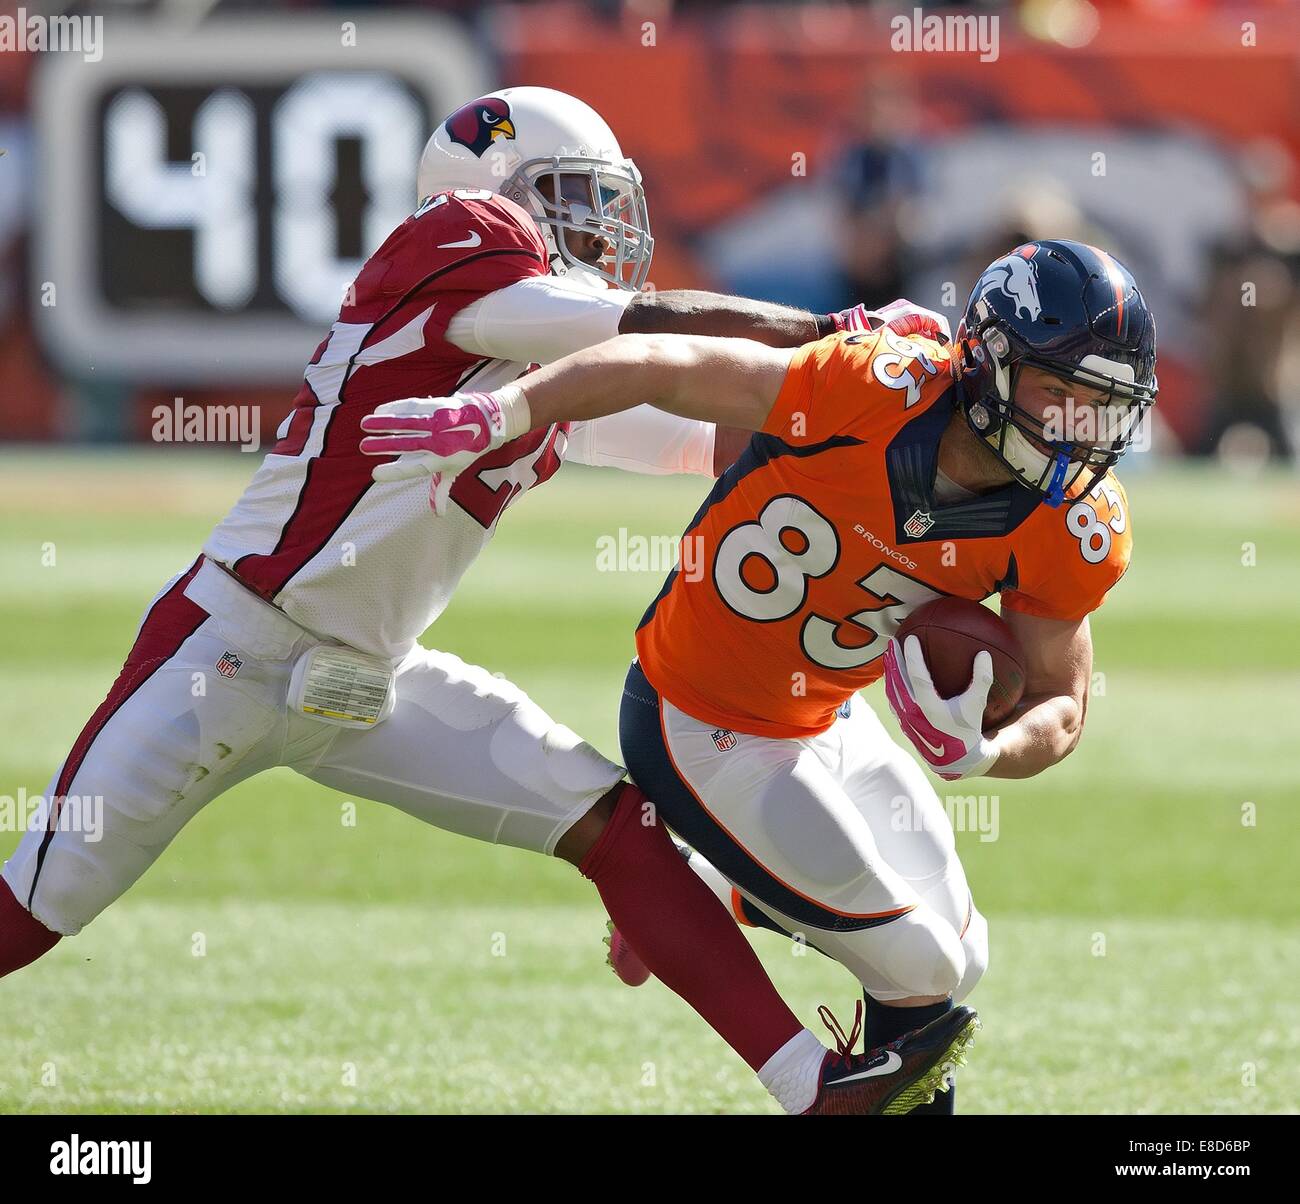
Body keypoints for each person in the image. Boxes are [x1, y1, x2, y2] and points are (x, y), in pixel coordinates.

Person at [1, 86, 966, 1115]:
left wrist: (864, 412)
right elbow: (643, 321)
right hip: (226, 652)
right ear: (494, 191)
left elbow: (702, 430)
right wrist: (841, 333)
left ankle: (811, 1089)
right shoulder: (456, 240)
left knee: (617, 825)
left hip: (365, 685)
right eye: (574, 198)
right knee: (32, 910)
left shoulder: (528, 363)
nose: (600, 228)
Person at [358, 238, 1157, 1115]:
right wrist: (501, 412)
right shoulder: (875, 385)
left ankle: (706, 885)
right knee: (921, 971)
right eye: (1061, 392)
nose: (1081, 425)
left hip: (825, 717)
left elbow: (1062, 703)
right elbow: (670, 361)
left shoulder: (1068, 519)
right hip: (700, 723)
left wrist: (984, 752)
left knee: (965, 956)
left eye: (1103, 405)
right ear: (989, 364)